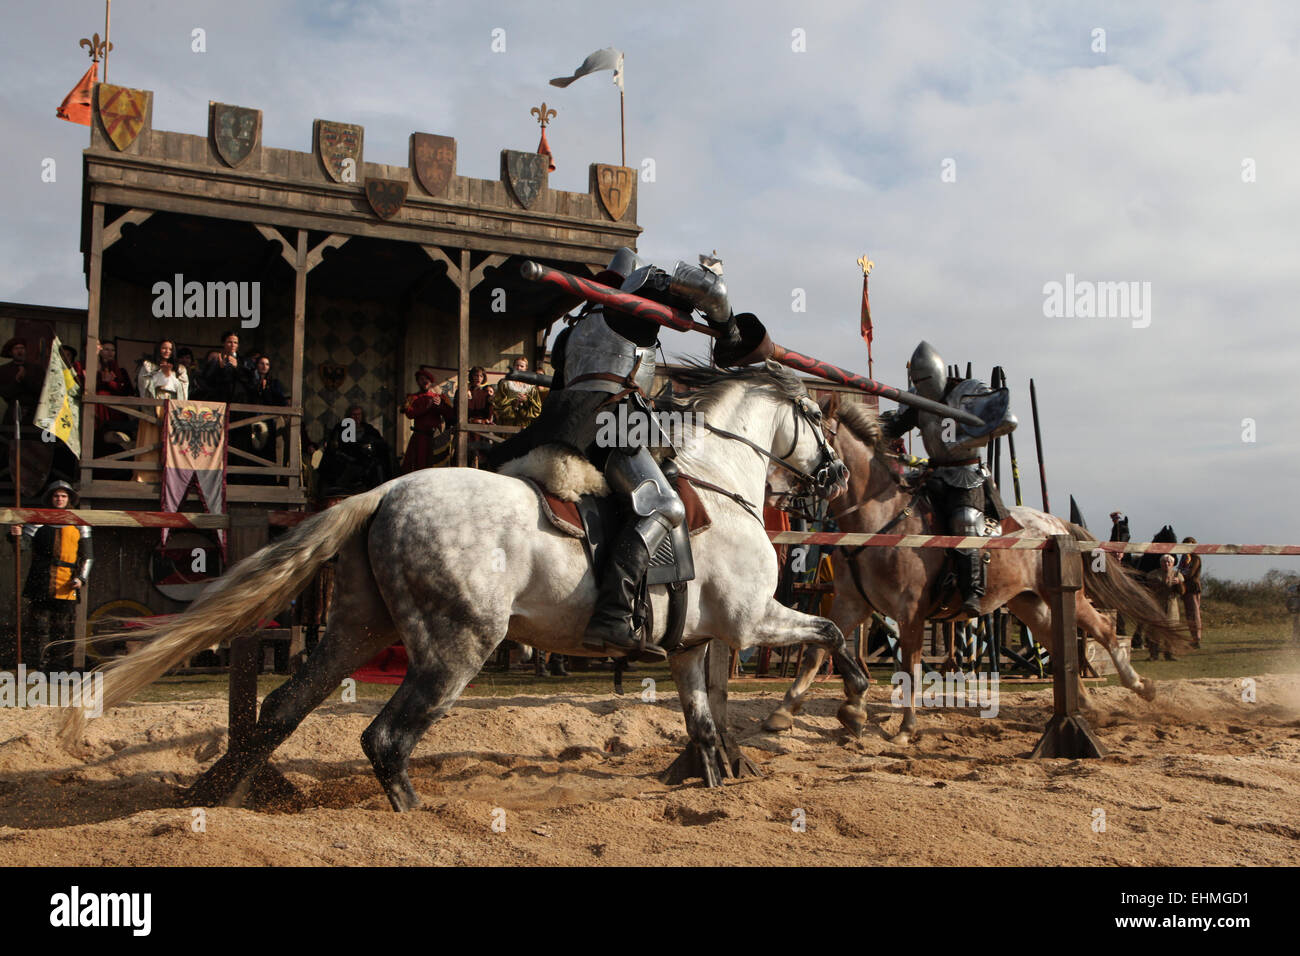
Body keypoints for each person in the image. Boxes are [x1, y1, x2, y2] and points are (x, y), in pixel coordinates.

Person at [486, 247, 747, 659]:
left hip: (563, 420)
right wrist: (729, 328)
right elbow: (702, 287)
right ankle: (615, 614)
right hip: (611, 419)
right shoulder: (625, 309)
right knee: (664, 505)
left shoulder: (572, 331)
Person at [881, 342, 1017, 617]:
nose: (922, 385)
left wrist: (965, 441)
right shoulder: (916, 399)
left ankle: (971, 592)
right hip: (933, 474)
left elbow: (1008, 420)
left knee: (964, 522)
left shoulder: (967, 392)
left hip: (967, 474)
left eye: (925, 379)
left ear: (939, 374)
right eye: (917, 381)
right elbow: (893, 428)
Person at [8, 481, 92, 671]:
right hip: (41, 580)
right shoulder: (37, 521)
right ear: (50, 498)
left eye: (63, 496)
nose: (59, 499)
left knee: (62, 629)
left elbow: (88, 556)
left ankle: (59, 667)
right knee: (40, 628)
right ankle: (40, 667)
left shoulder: (79, 523)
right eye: (56, 496)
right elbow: (22, 548)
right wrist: (17, 535)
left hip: (67, 582)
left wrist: (81, 578)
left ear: (69, 499)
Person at [133, 339, 189, 482]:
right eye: (164, 348)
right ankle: (147, 475)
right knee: (151, 438)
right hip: (154, 403)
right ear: (158, 349)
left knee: (170, 440)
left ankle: (170, 476)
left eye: (170, 349)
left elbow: (183, 390)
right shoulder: (148, 365)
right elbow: (143, 385)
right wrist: (160, 374)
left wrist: (170, 374)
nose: (167, 351)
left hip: (171, 404)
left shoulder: (180, 368)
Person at [317, 405, 393, 497]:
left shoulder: (368, 428)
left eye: (359, 414)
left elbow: (379, 442)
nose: (357, 417)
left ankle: (382, 491)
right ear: (349, 416)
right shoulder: (342, 427)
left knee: (379, 464)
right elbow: (336, 446)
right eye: (354, 415)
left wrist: (370, 445)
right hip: (346, 459)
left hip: (365, 458)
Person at [401, 369, 455, 472]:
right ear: (417, 382)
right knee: (419, 468)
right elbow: (410, 414)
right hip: (420, 437)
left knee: (436, 467)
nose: (424, 381)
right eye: (421, 379)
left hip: (436, 438)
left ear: (431, 382)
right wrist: (427, 406)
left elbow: (450, 415)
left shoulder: (440, 398)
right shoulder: (412, 398)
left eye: (427, 379)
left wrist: (440, 406)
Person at [1144, 554, 1184, 661]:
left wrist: (1178, 583)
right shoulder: (1153, 574)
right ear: (1160, 563)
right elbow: (1151, 586)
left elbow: (1182, 592)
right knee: (1154, 630)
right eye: (1164, 562)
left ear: (1172, 564)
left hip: (1172, 605)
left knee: (1171, 630)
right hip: (1157, 604)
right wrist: (1163, 583)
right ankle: (1153, 654)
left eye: (1169, 562)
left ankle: (1170, 654)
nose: (1166, 564)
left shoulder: (1177, 575)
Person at [455, 365, 494, 468]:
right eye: (476, 375)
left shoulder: (486, 394)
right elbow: (457, 410)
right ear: (471, 376)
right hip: (467, 430)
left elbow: (489, 415)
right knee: (466, 458)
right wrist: (465, 397)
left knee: (482, 459)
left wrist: (491, 403)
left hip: (481, 430)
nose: (478, 378)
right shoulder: (462, 392)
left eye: (481, 376)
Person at [492, 356, 542, 428]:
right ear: (513, 366)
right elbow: (498, 402)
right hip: (508, 422)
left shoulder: (531, 386)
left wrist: (527, 400)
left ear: (526, 368)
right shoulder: (505, 383)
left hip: (524, 423)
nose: (519, 368)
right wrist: (513, 404)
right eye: (517, 365)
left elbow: (537, 407)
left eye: (522, 366)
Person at [1178, 537, 1203, 648]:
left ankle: (1197, 638)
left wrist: (1178, 577)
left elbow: (1190, 573)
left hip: (1192, 588)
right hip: (1185, 588)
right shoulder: (1184, 558)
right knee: (1189, 615)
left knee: (1194, 614)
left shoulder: (1195, 558)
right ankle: (1193, 638)